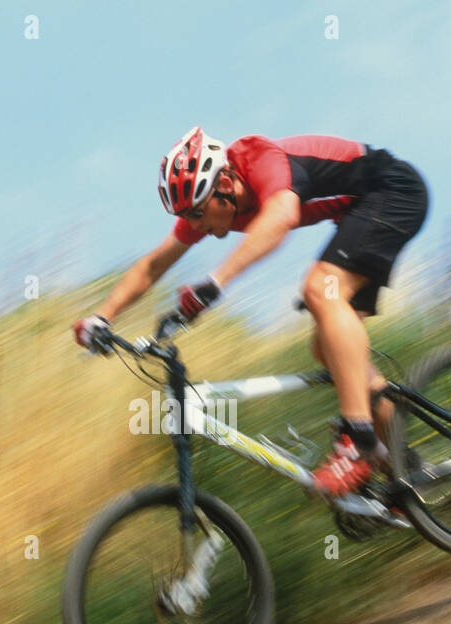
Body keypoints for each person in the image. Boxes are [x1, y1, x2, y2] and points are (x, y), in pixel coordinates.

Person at [73, 127, 428, 497]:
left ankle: (357, 441)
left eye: (196, 211)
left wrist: (215, 282)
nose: (195, 225)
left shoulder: (259, 159)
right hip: (359, 215)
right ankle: (403, 473)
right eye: (185, 215)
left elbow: (282, 216)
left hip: (392, 191)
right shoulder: (210, 205)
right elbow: (153, 265)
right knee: (332, 352)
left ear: (225, 182)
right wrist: (103, 315)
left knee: (320, 288)